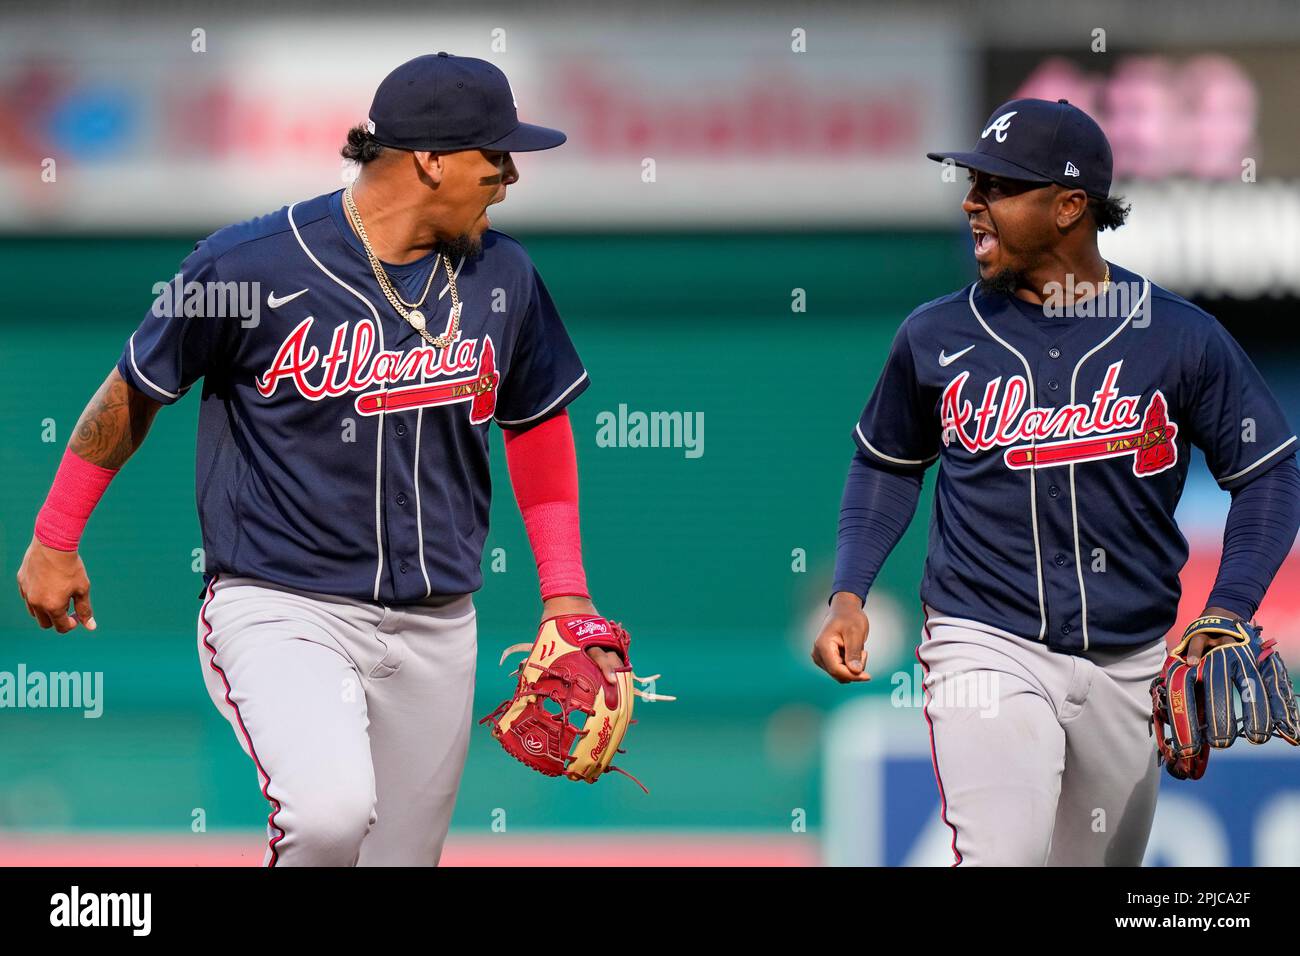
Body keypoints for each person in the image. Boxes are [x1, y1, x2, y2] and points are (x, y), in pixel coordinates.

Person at [16, 53, 623, 866]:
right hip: (282, 606)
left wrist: (565, 591)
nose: (510, 175)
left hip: (440, 622)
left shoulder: (503, 272)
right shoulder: (244, 265)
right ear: (431, 160)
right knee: (328, 816)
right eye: (496, 155)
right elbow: (132, 392)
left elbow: (537, 422)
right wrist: (55, 534)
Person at [811, 98, 1300, 865]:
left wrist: (1226, 611)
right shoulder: (934, 336)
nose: (973, 202)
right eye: (974, 183)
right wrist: (849, 593)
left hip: (1131, 661)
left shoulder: (1177, 336)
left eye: (999, 187)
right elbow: (887, 464)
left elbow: (1269, 475)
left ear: (1071, 206)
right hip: (985, 639)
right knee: (1001, 856)